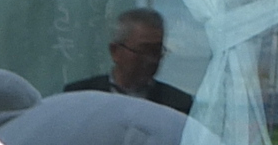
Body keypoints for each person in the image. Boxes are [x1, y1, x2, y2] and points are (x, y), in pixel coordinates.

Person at [61, 7, 197, 114]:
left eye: (157, 51)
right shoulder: (79, 97)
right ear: (115, 51)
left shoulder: (178, 104)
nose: (151, 59)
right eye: (144, 50)